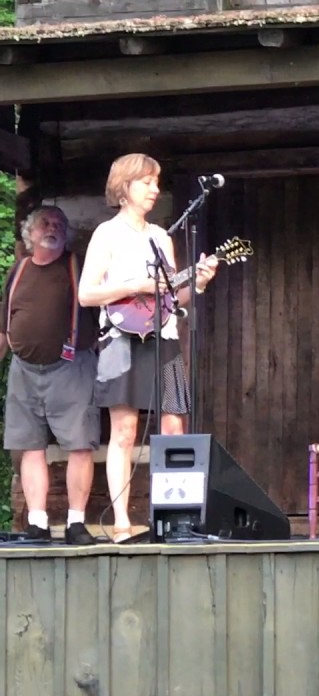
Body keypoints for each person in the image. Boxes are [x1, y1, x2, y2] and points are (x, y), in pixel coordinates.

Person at [77, 154, 219, 542]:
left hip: (164, 337)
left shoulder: (160, 237)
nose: (155, 189)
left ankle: (175, 516)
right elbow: (87, 293)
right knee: (124, 430)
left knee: (174, 425)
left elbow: (171, 299)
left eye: (157, 182)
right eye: (146, 182)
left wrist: (199, 282)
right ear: (124, 188)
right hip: (121, 341)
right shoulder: (106, 234)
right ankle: (122, 520)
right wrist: (135, 286)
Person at [0, 206, 100, 544]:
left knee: (80, 444)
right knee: (29, 446)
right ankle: (37, 523)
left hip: (71, 368)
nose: (52, 228)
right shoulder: (18, 270)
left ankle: (76, 523)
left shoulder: (77, 266)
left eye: (59, 223)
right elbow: (3, 327)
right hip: (23, 370)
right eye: (45, 222)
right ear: (30, 232)